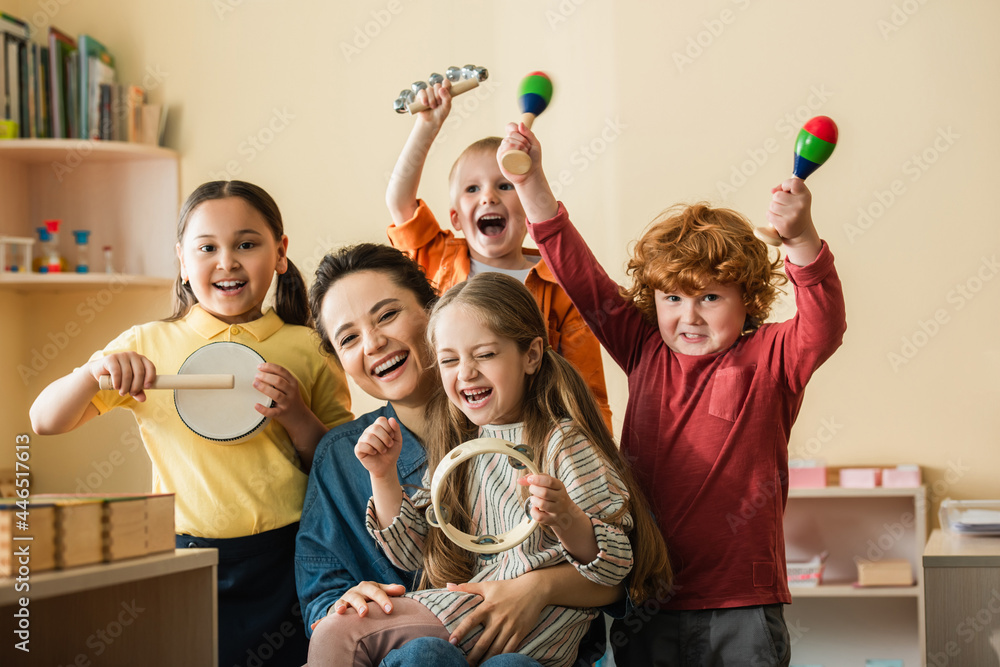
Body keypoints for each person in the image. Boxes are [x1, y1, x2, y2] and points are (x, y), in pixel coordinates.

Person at [499, 122, 847, 666]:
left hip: (743, 604)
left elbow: (824, 325)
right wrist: (531, 180)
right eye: (672, 298)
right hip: (647, 599)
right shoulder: (642, 347)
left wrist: (801, 237)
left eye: (709, 297)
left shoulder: (771, 357)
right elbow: (579, 273)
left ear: (747, 297)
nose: (688, 316)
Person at [29, 180, 353, 667]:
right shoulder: (147, 345)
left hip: (289, 558)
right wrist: (94, 372)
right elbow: (44, 420)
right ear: (182, 260)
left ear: (280, 253)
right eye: (207, 248)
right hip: (184, 558)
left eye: (247, 244)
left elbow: (340, 467)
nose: (227, 261)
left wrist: (298, 417)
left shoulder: (308, 347)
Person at [306, 270, 671, 667]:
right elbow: (413, 555)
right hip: (489, 634)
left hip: (525, 623)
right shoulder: (461, 450)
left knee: (339, 631)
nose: (465, 372)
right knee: (423, 655)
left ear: (531, 355)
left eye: (485, 354)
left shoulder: (562, 442)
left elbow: (619, 564)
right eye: (448, 360)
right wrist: (383, 475)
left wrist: (566, 518)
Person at [384, 79, 612, 429]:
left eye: (505, 185)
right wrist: (427, 126)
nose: (488, 197)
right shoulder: (440, 258)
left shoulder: (559, 283)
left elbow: (588, 390)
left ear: (526, 205)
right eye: (472, 188)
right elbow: (399, 203)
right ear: (455, 218)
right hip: (454, 434)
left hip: (535, 437)